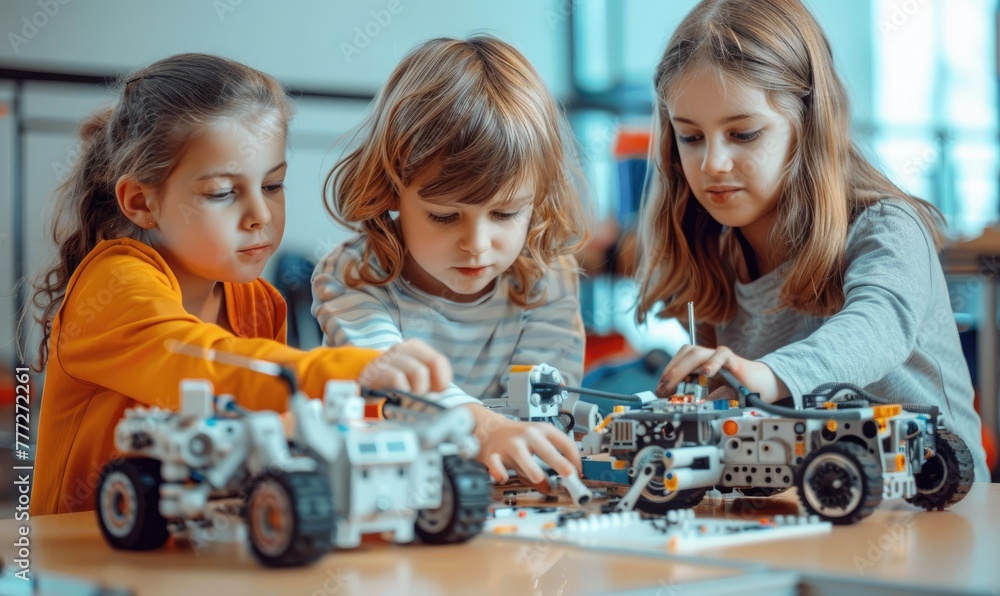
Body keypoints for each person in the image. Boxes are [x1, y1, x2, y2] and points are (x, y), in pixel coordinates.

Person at [26, 53, 451, 515]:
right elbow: (209, 365)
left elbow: (271, 423)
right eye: (223, 193)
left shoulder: (259, 303)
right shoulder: (113, 286)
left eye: (273, 186)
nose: (261, 216)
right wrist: (351, 372)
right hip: (87, 567)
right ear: (141, 202)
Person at [635, 0, 989, 481]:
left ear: (808, 123)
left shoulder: (887, 226)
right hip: (809, 509)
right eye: (691, 137)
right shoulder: (714, 256)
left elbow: (876, 328)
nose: (712, 163)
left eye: (743, 133)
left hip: (934, 513)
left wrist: (770, 375)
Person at [312, 35, 590, 487]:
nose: (477, 244)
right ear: (390, 189)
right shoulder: (352, 277)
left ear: (537, 199)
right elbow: (393, 377)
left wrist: (525, 439)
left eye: (504, 213)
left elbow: (545, 406)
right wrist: (482, 427)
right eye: (445, 216)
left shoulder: (548, 279)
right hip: (387, 485)